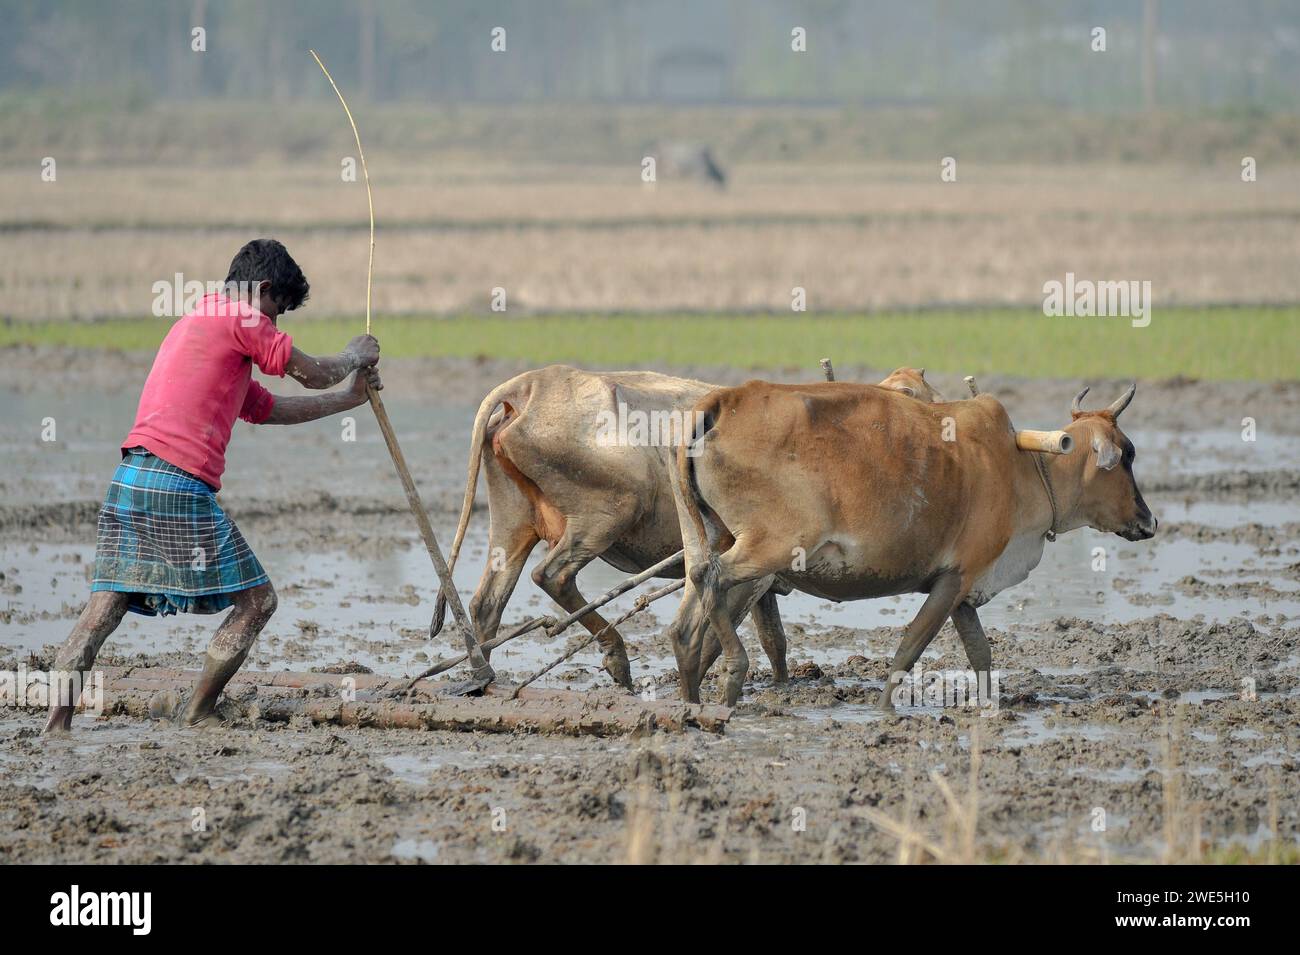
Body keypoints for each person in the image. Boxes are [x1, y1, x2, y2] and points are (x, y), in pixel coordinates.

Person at [45, 238, 381, 732]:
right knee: (258, 601)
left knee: (102, 608)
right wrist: (354, 356)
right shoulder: (240, 317)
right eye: (278, 310)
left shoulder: (201, 321)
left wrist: (349, 401)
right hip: (177, 483)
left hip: (131, 476)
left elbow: (269, 410)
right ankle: (198, 709)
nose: (275, 323)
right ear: (261, 289)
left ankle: (56, 727)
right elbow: (308, 375)